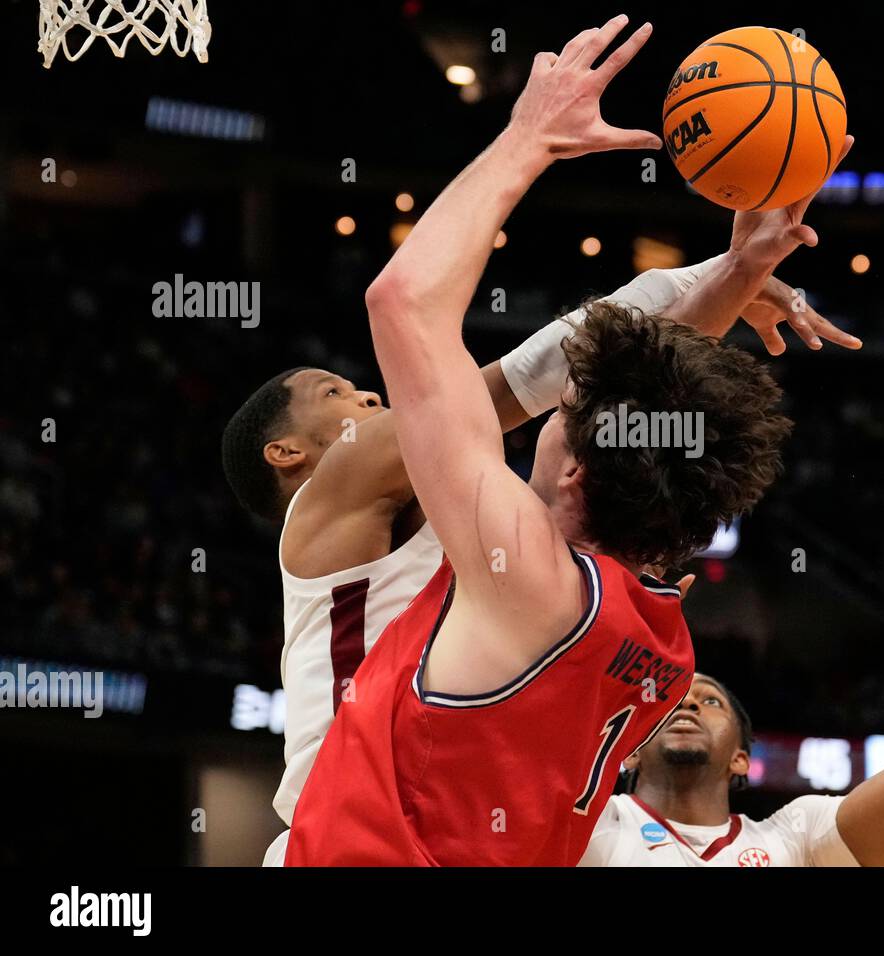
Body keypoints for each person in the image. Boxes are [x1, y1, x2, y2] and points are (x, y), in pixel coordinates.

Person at [284, 14, 851, 866]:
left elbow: (408, 308)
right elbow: (638, 410)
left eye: (570, 416)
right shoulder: (662, 637)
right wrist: (728, 276)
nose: (365, 401)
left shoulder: (522, 567)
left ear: (578, 468)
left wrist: (530, 140)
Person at [221, 261, 851, 867]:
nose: (364, 391)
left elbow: (619, 410)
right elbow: (532, 377)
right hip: (353, 827)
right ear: (286, 453)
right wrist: (708, 276)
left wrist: (734, 276)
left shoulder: (490, 531)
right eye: (332, 392)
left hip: (467, 826)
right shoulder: (337, 493)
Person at [579, 448, 884, 866]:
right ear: (630, 750)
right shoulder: (587, 823)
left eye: (710, 701)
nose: (691, 703)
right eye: (672, 702)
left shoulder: (798, 838)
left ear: (741, 759)